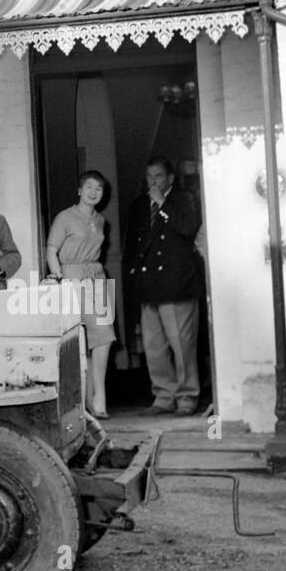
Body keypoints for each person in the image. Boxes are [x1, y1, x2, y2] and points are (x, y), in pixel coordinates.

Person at [123, 156, 202, 415]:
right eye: (149, 176)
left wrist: (162, 203)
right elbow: (133, 248)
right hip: (149, 286)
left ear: (169, 178)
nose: (153, 181)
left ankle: (188, 397)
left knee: (182, 345)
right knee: (154, 347)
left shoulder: (184, 199)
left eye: (158, 176)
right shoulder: (137, 206)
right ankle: (163, 397)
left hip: (177, 285)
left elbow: (188, 228)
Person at [46, 170, 114, 418]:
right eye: (89, 187)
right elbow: (51, 250)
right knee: (90, 338)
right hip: (72, 277)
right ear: (79, 190)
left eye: (99, 188)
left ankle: (96, 399)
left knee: (99, 337)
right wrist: (59, 278)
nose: (94, 192)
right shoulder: (65, 217)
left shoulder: (100, 220)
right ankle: (92, 399)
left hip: (96, 275)